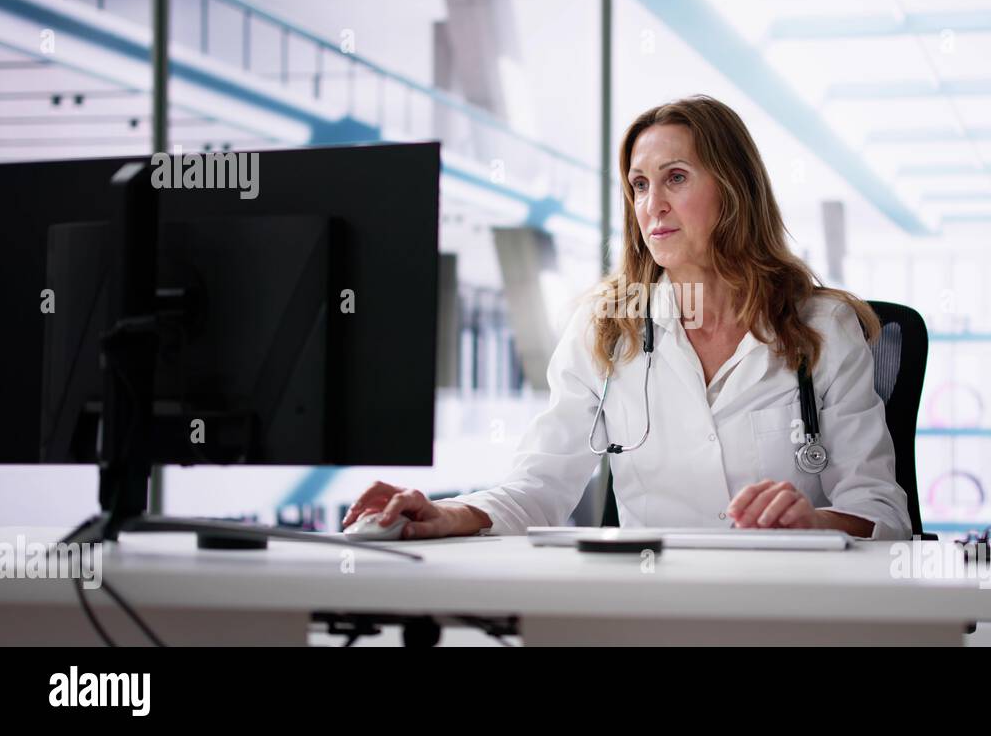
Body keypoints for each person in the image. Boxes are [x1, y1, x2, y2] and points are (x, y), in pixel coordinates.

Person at [343, 95, 912, 540]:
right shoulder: (606, 329)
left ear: (734, 190)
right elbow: (540, 485)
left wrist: (814, 523)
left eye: (677, 178)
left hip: (787, 607)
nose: (652, 206)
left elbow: (879, 508)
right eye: (640, 185)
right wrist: (448, 513)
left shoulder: (822, 327)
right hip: (652, 609)